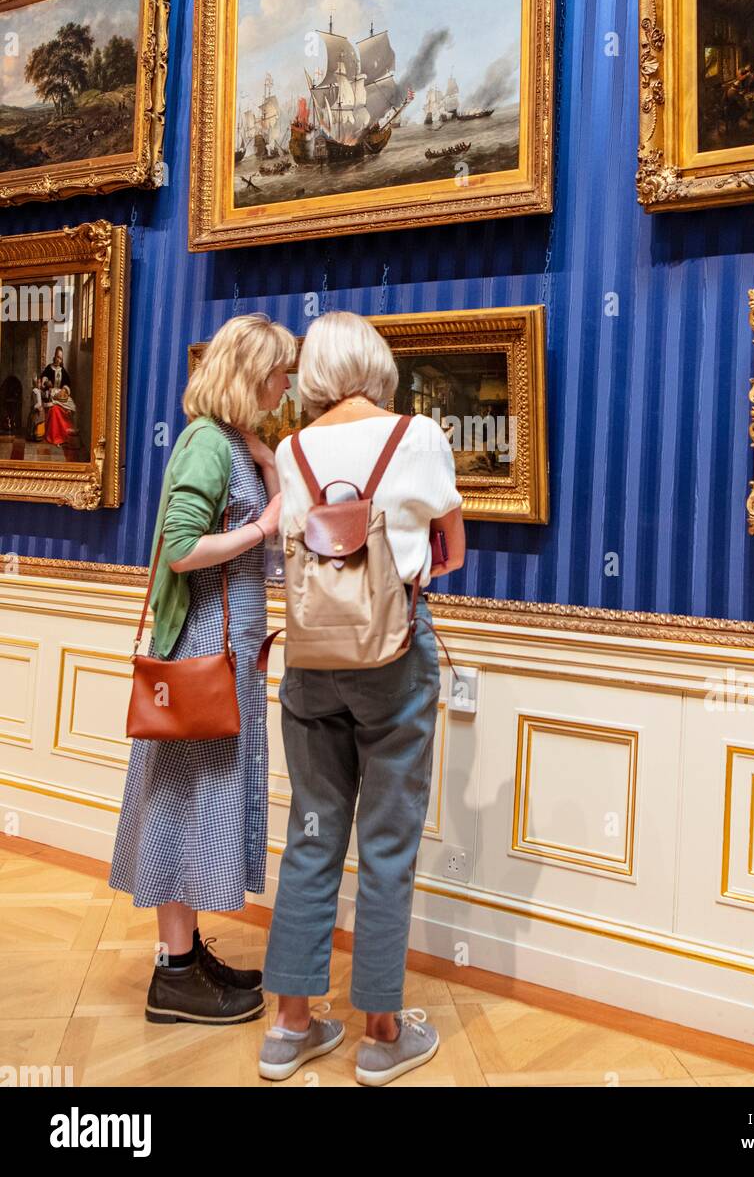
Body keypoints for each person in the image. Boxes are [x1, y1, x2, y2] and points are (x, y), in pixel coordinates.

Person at [258, 311, 466, 1086]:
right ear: (376, 363)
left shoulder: (291, 448)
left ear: (313, 372)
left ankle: (288, 1028)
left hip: (310, 659)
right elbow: (452, 547)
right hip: (392, 658)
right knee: (387, 843)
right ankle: (381, 1034)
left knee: (312, 833)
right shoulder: (418, 435)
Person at [109, 313, 297, 1025]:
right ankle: (175, 973)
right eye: (278, 371)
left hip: (225, 659)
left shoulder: (236, 445)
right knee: (181, 808)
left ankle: (186, 955)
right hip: (198, 659)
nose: (285, 385)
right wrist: (260, 524)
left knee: (199, 808)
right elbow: (181, 546)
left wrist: (271, 462)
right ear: (251, 373)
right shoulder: (204, 445)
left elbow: (269, 544)